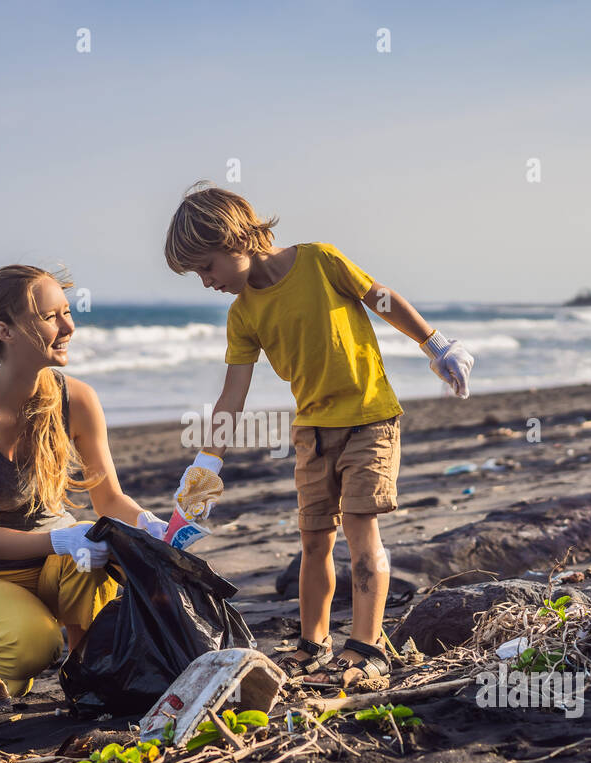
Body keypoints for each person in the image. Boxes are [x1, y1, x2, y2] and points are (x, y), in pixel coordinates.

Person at [164, 184, 475, 687]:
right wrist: (206, 466)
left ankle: (367, 648)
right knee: (313, 541)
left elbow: (382, 299)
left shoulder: (319, 261)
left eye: (206, 267)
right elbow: (233, 394)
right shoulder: (243, 313)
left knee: (360, 530)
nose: (205, 282)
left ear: (236, 239)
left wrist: (435, 344)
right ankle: (314, 644)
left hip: (370, 420)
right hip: (311, 432)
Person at [0, 265, 168, 714]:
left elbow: (110, 499)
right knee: (33, 647)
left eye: (66, 312)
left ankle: (85, 673)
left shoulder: (77, 397)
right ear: (4, 330)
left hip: (59, 565)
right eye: (50, 316)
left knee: (100, 542)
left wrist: (152, 525)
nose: (69, 326)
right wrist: (64, 538)